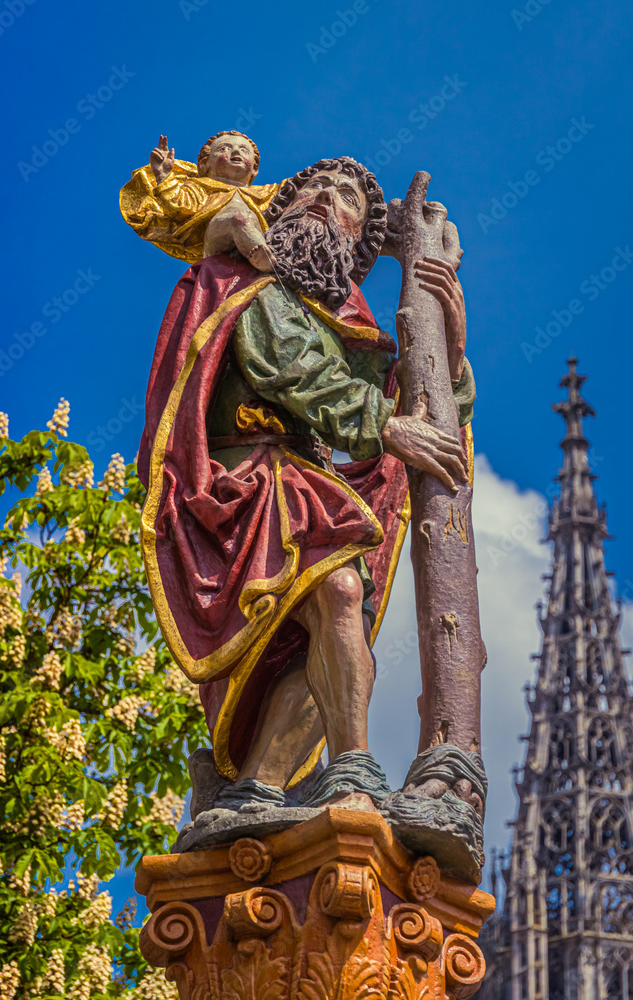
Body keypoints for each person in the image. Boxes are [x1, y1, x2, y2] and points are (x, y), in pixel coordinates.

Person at [136, 155, 476, 839]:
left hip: (304, 485)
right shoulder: (250, 286)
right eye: (313, 189)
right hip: (241, 485)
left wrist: (443, 308)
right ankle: (350, 766)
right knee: (338, 600)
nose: (325, 197)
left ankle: (260, 785)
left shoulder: (341, 317)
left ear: (357, 241)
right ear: (277, 215)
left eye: (346, 196)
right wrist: (385, 426)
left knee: (334, 621)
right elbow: (290, 368)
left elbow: (427, 395)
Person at [120, 130, 279, 269]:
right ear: (204, 164)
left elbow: (296, 188)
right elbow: (178, 206)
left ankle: (272, 260)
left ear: (255, 169)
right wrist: (164, 176)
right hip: (218, 236)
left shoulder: (265, 192)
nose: (235, 152)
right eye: (224, 149)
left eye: (244, 150)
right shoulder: (199, 186)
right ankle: (262, 258)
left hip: (256, 230)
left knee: (248, 218)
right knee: (237, 218)